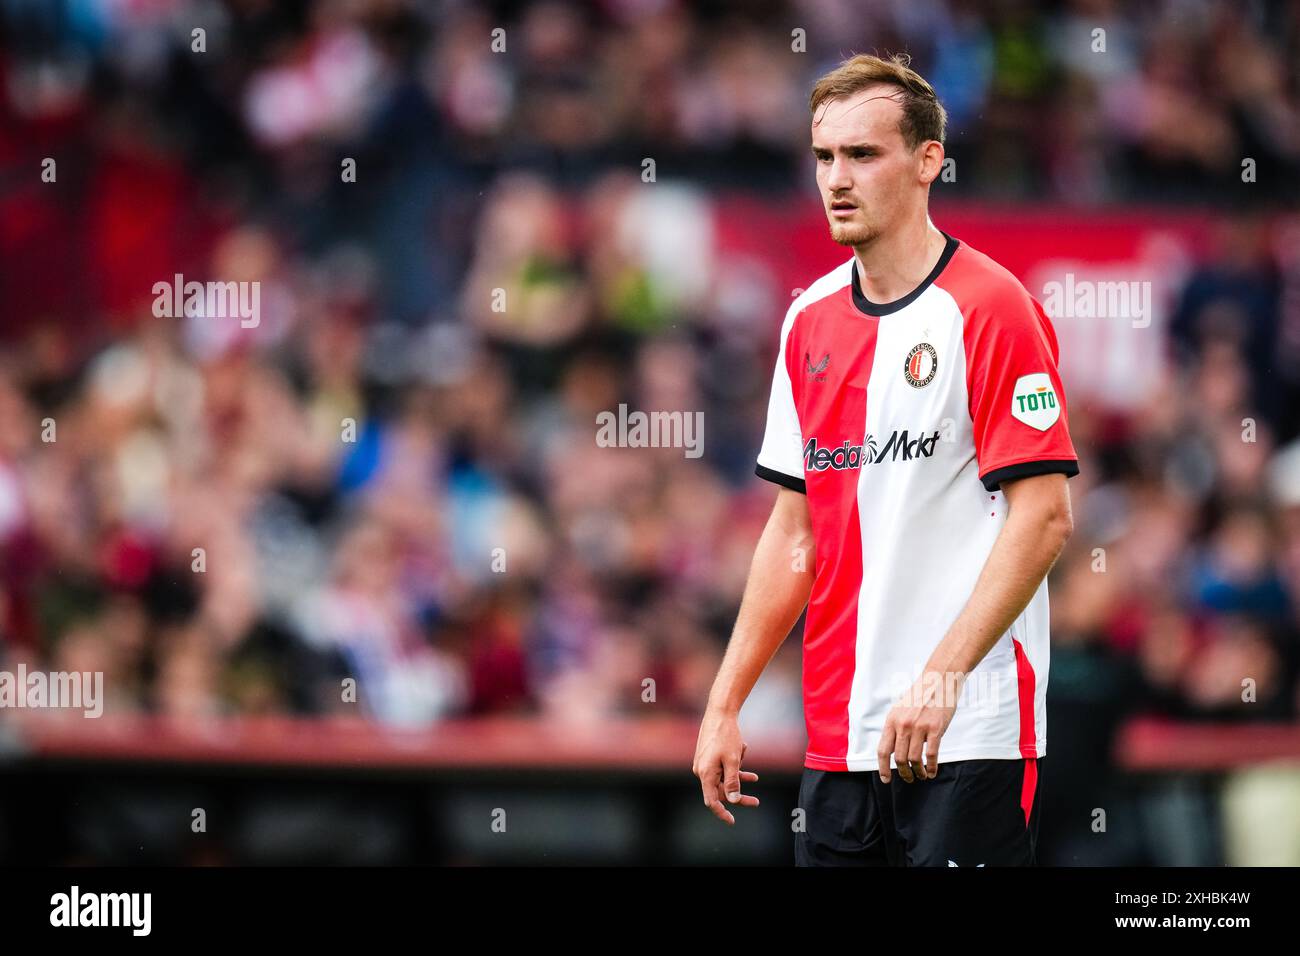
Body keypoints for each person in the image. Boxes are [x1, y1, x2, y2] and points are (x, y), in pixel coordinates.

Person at [691, 53, 1079, 866]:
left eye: (863, 155)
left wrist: (941, 679)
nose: (837, 178)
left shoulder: (992, 308)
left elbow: (1044, 518)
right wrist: (726, 702)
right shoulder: (807, 319)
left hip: (968, 733)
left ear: (928, 161)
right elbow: (794, 531)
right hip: (840, 741)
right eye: (824, 156)